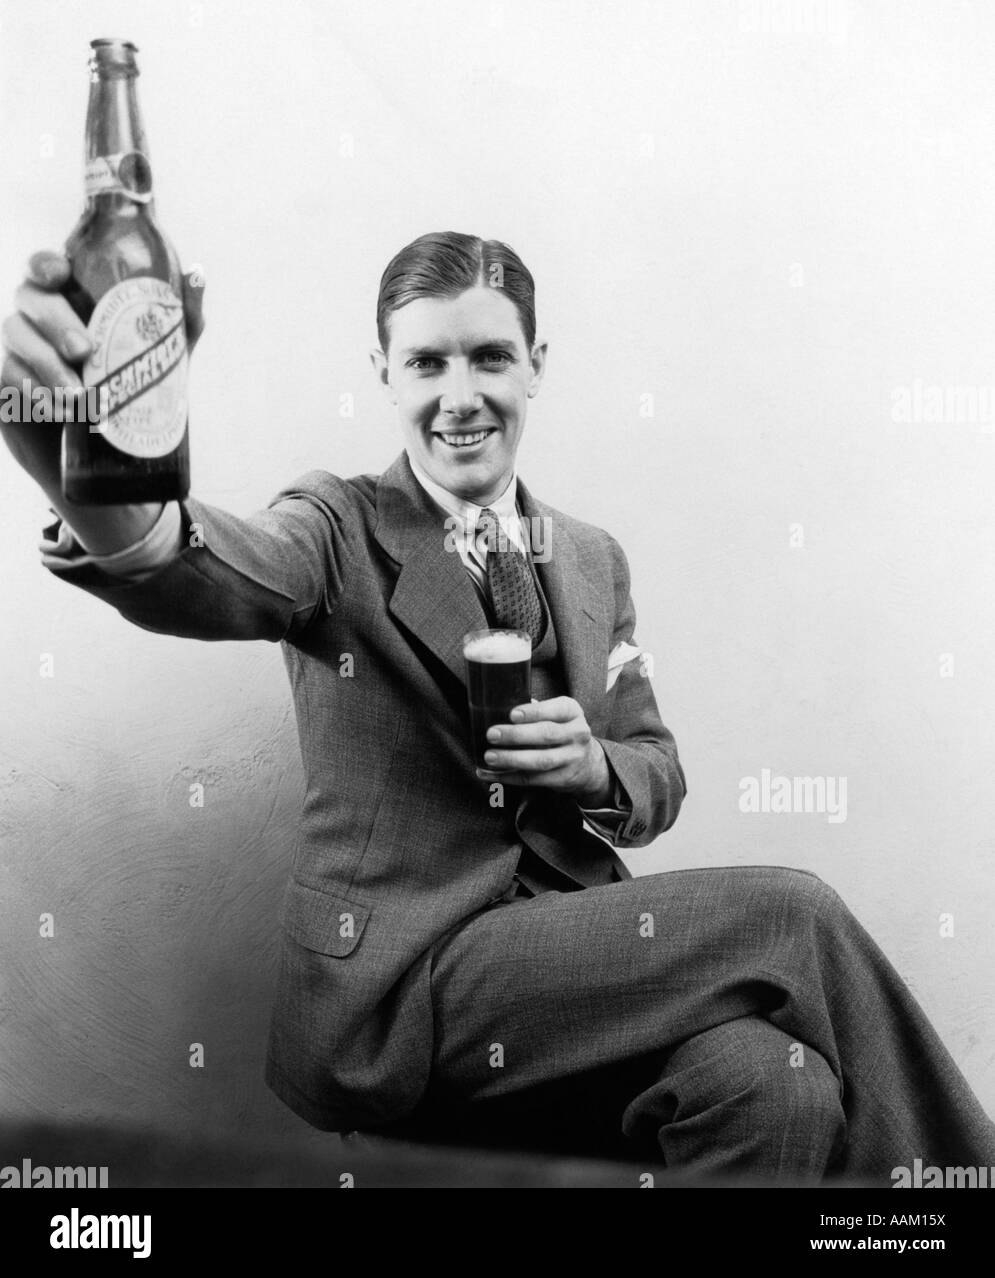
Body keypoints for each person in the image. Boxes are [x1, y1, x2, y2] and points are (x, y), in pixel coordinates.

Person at [3, 232, 994, 1184]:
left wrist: (593, 772)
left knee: (777, 1089)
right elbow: (197, 566)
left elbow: (651, 777)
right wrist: (87, 468)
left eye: (488, 357)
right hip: (409, 982)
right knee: (794, 912)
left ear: (534, 367)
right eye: (426, 363)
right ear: (384, 374)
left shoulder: (592, 557)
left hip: (578, 974)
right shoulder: (336, 526)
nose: (459, 395)